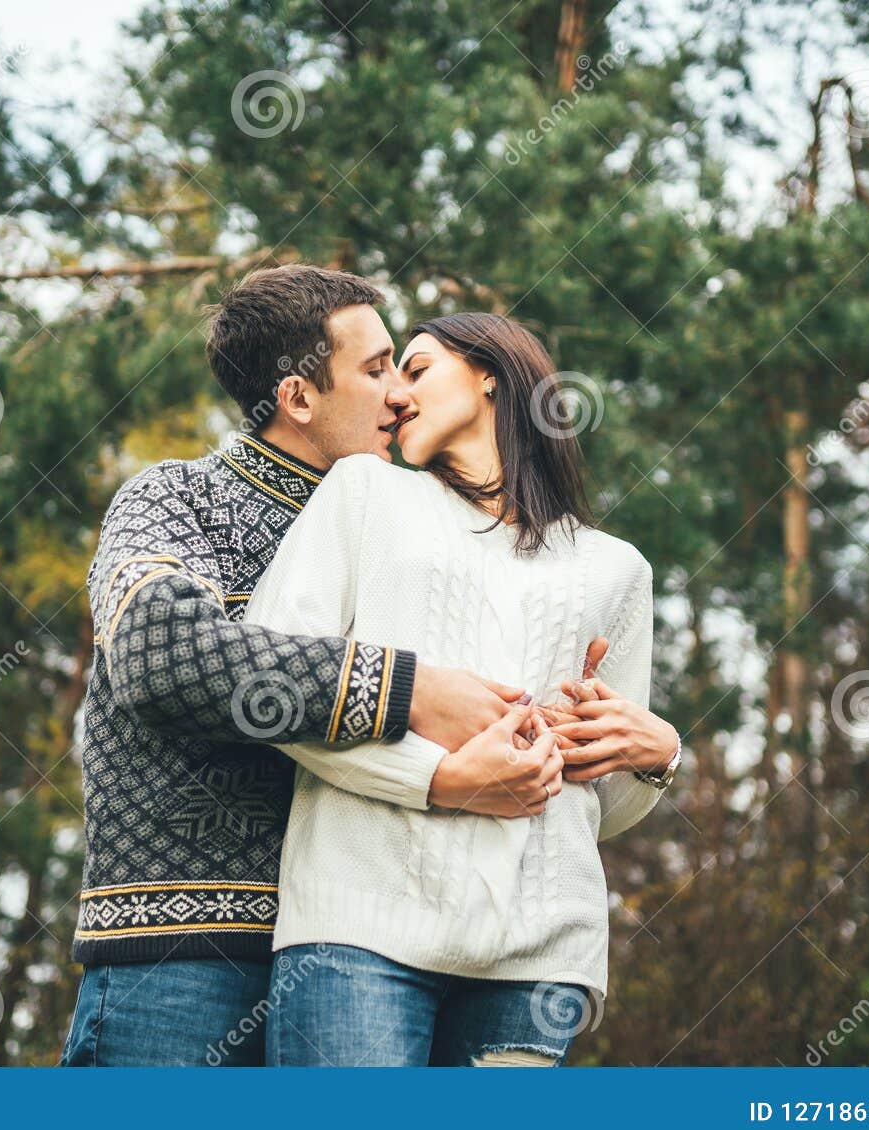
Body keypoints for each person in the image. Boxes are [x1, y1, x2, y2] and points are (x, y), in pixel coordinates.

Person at [61, 266, 561, 1066]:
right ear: (297, 397)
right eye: (377, 369)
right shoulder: (177, 499)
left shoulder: (423, 533)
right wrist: (405, 688)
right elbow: (161, 652)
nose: (401, 394)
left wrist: (641, 742)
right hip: (185, 962)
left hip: (376, 961)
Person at [244, 312, 682, 1067]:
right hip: (358, 932)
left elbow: (597, 807)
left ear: (490, 373)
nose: (396, 395)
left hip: (539, 955)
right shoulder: (365, 494)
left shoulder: (617, 570)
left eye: (415, 369)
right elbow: (275, 692)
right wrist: (438, 778)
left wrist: (655, 756)